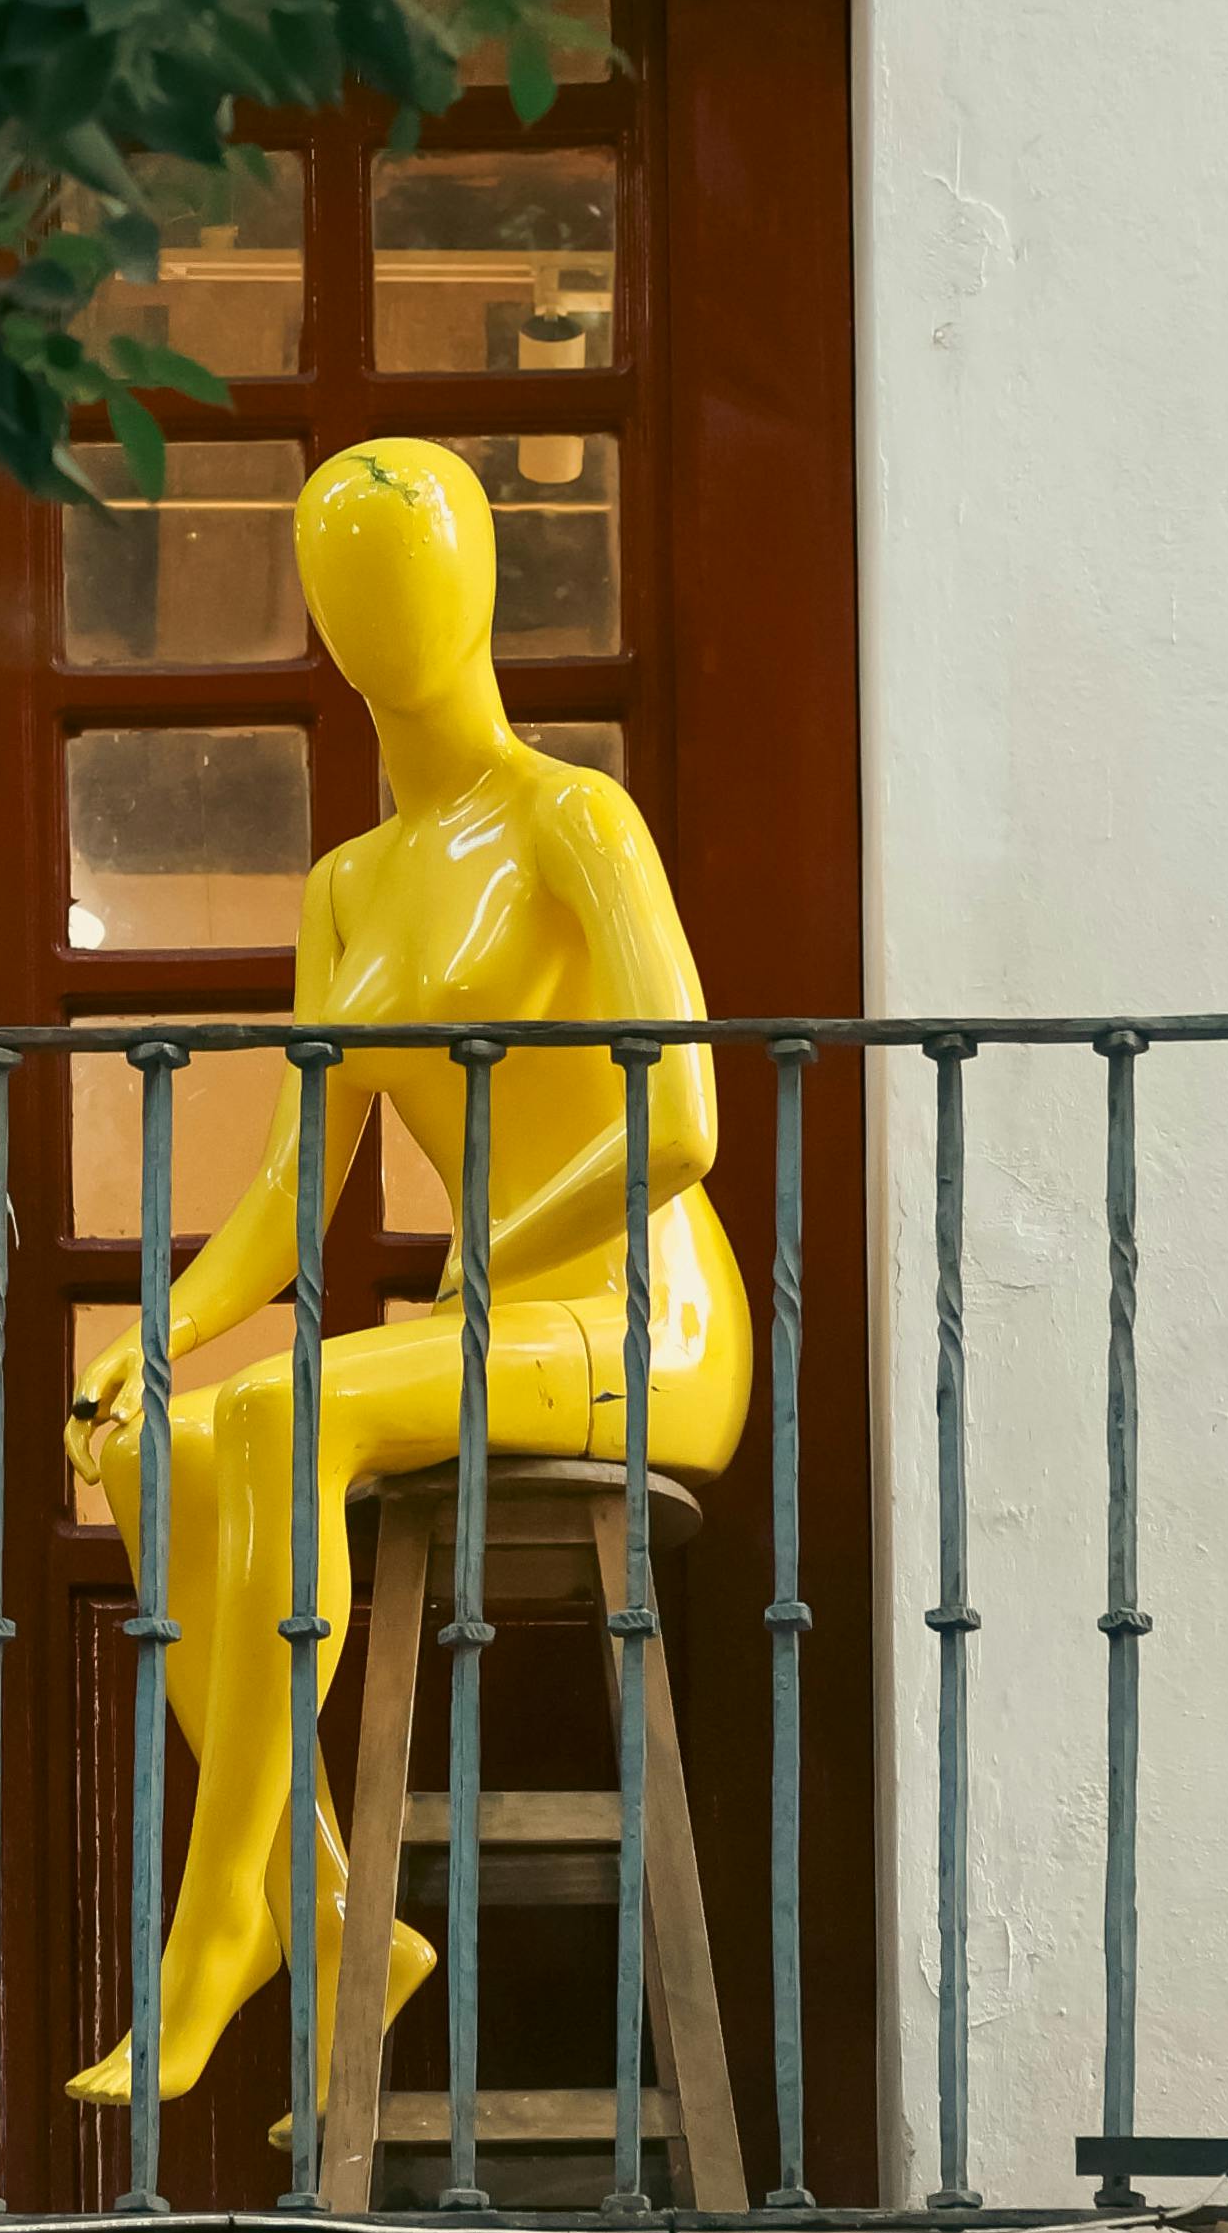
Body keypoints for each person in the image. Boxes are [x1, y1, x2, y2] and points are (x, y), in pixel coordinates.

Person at [67, 433, 753, 2113]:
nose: (386, 612)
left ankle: (222, 1928)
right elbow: (301, 1195)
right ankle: (331, 1919)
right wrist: (166, 1328)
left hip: (634, 1316)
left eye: (415, 572)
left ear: (478, 592)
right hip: (485, 1319)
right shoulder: (347, 890)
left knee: (291, 1418)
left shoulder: (574, 820)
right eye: (350, 584)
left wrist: (494, 1257)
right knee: (162, 1444)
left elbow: (688, 1111)